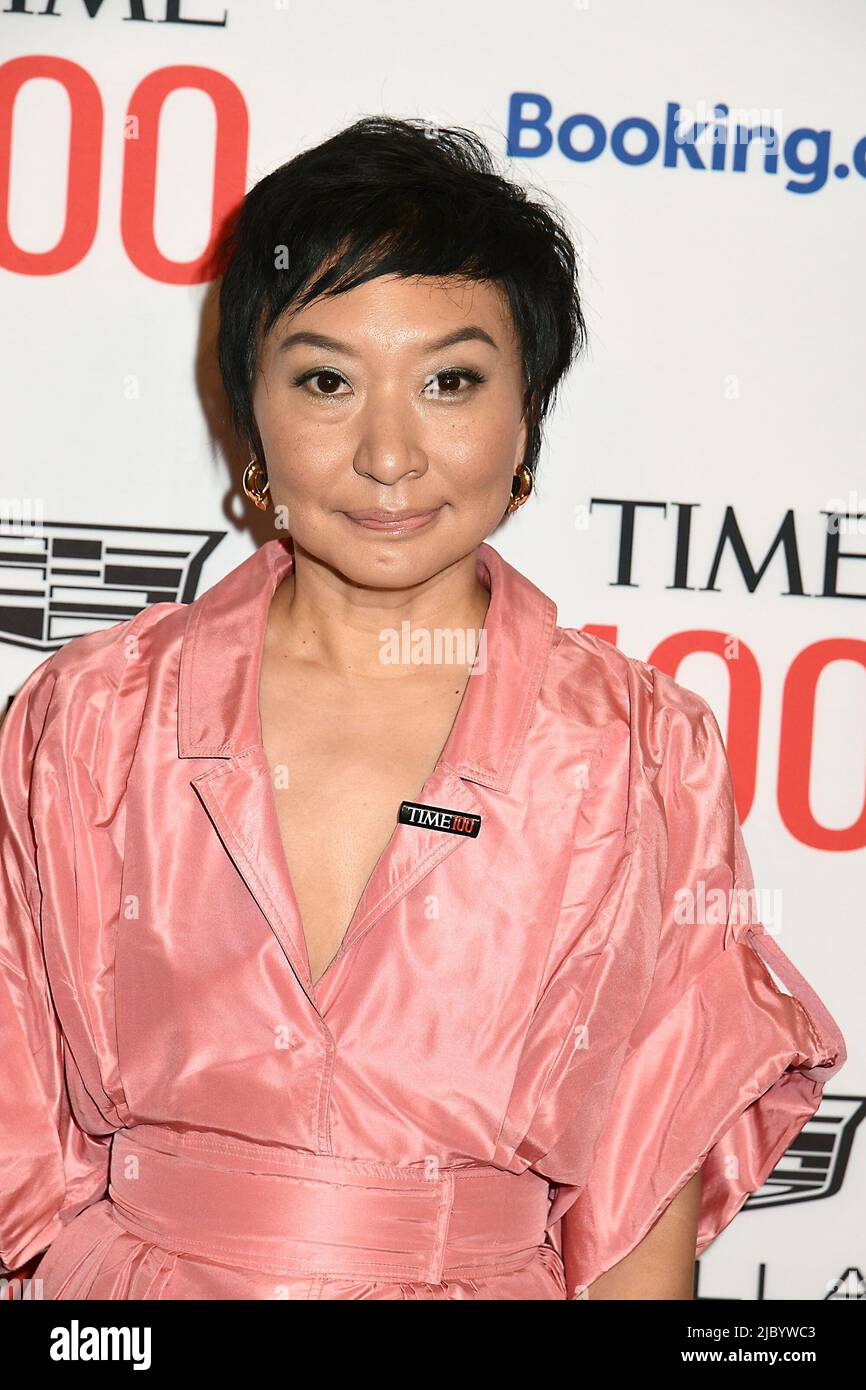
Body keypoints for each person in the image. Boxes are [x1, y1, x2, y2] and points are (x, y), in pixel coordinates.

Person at [0, 117, 846, 1301]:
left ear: (525, 420)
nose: (389, 454)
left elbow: (642, 1183)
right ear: (250, 412)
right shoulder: (90, 716)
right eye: (326, 380)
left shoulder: (633, 748)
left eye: (449, 380)